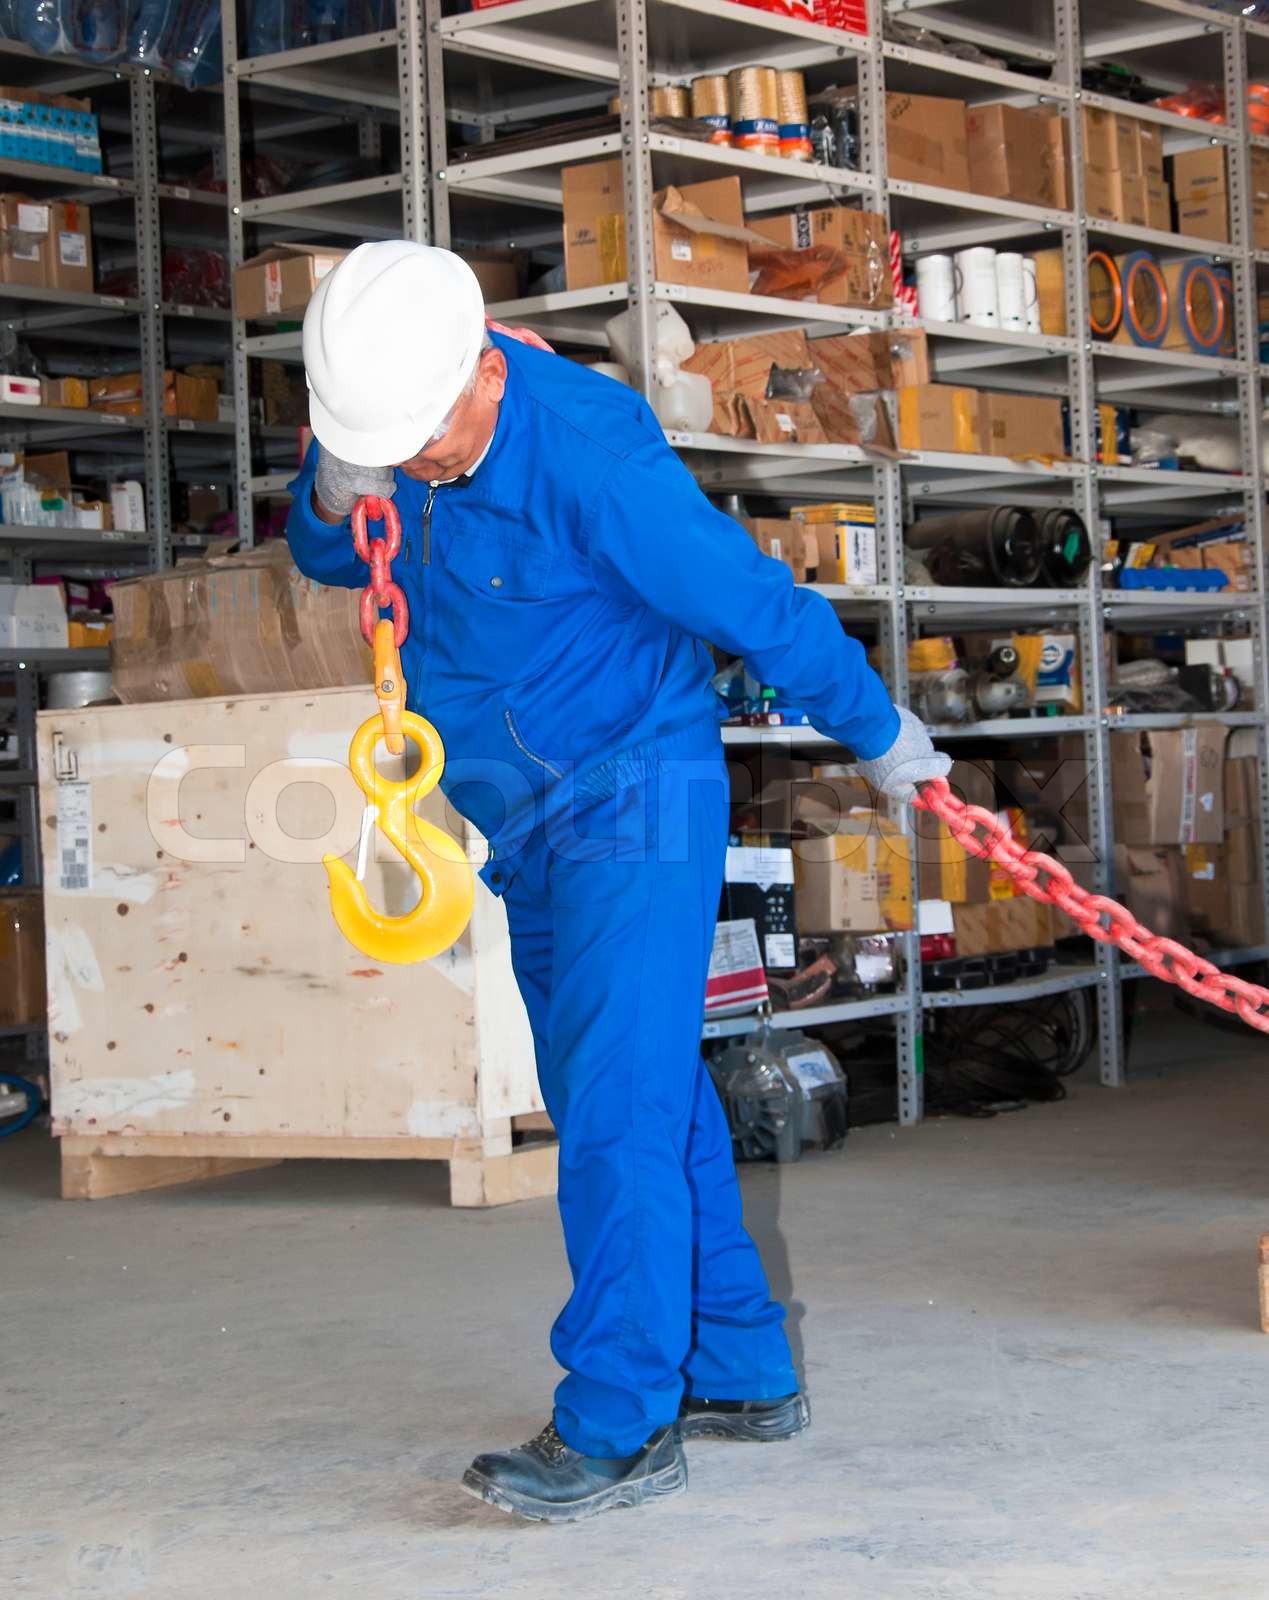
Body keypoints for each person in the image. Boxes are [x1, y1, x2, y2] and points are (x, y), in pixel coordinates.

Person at [286, 241, 950, 1525]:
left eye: (423, 435)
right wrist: (338, 477)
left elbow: (753, 602)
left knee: (613, 1113)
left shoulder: (593, 458)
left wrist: (879, 735)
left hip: (632, 796)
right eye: (389, 441)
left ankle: (618, 1418)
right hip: (519, 816)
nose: (417, 460)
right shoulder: (394, 424)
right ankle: (740, 1363)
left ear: (488, 366)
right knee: (632, 1082)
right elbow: (335, 557)